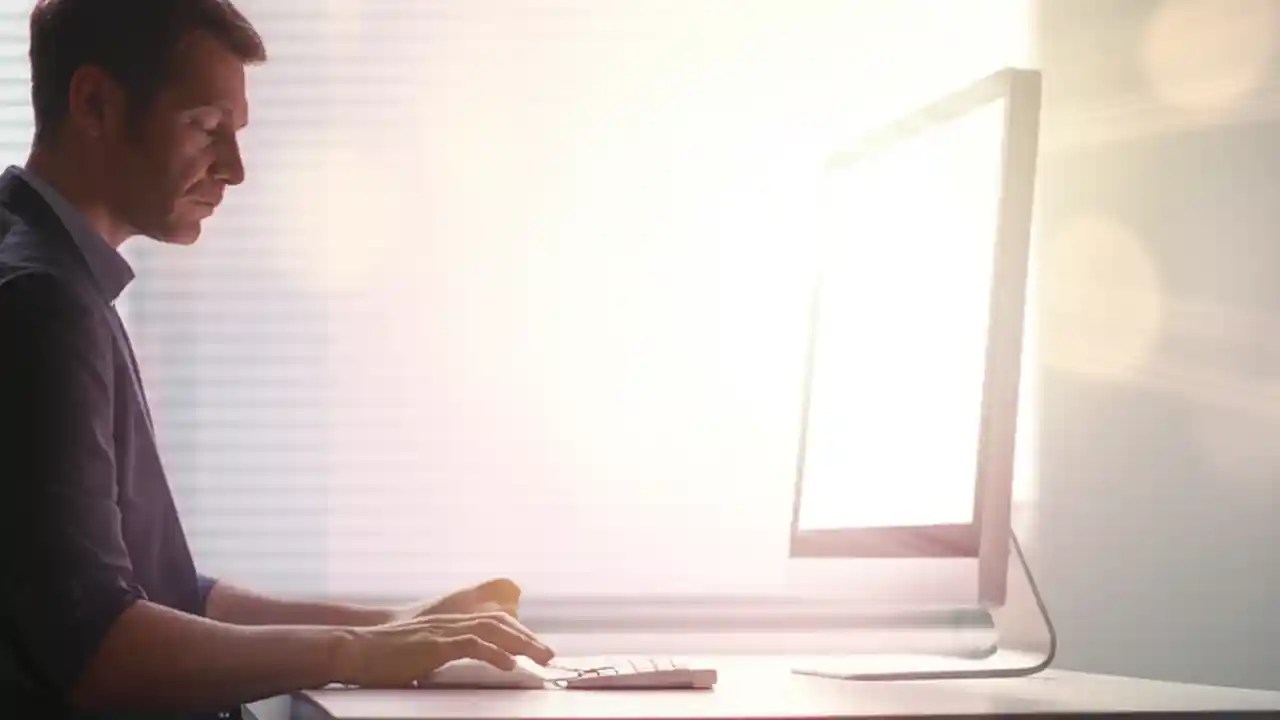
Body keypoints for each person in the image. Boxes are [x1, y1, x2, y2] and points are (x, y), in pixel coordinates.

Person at [0, 1, 555, 716]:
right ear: (96, 103)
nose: (233, 169)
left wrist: (390, 627)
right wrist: (354, 657)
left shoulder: (51, 279)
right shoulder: (41, 305)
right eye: (206, 126)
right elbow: (95, 647)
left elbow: (160, 593)